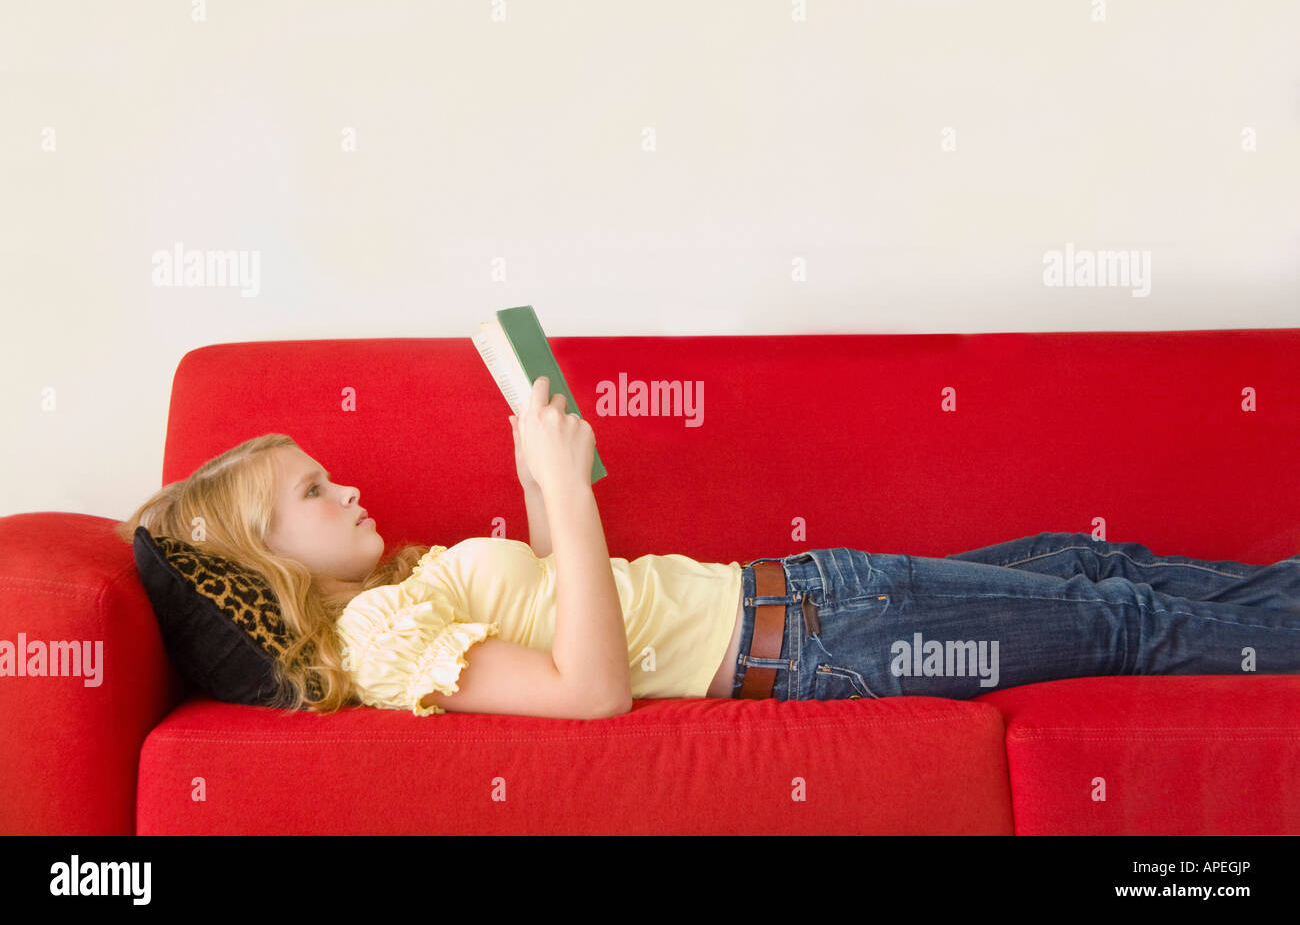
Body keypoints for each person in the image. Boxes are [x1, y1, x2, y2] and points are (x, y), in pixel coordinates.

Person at [116, 377, 1300, 720]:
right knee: (1121, 619)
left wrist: (548, 477)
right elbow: (589, 689)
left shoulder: (399, 585)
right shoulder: (378, 640)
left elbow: (564, 602)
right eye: (316, 491)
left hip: (815, 591)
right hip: (818, 643)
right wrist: (559, 498)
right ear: (266, 559)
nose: (350, 485)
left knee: (1103, 564)